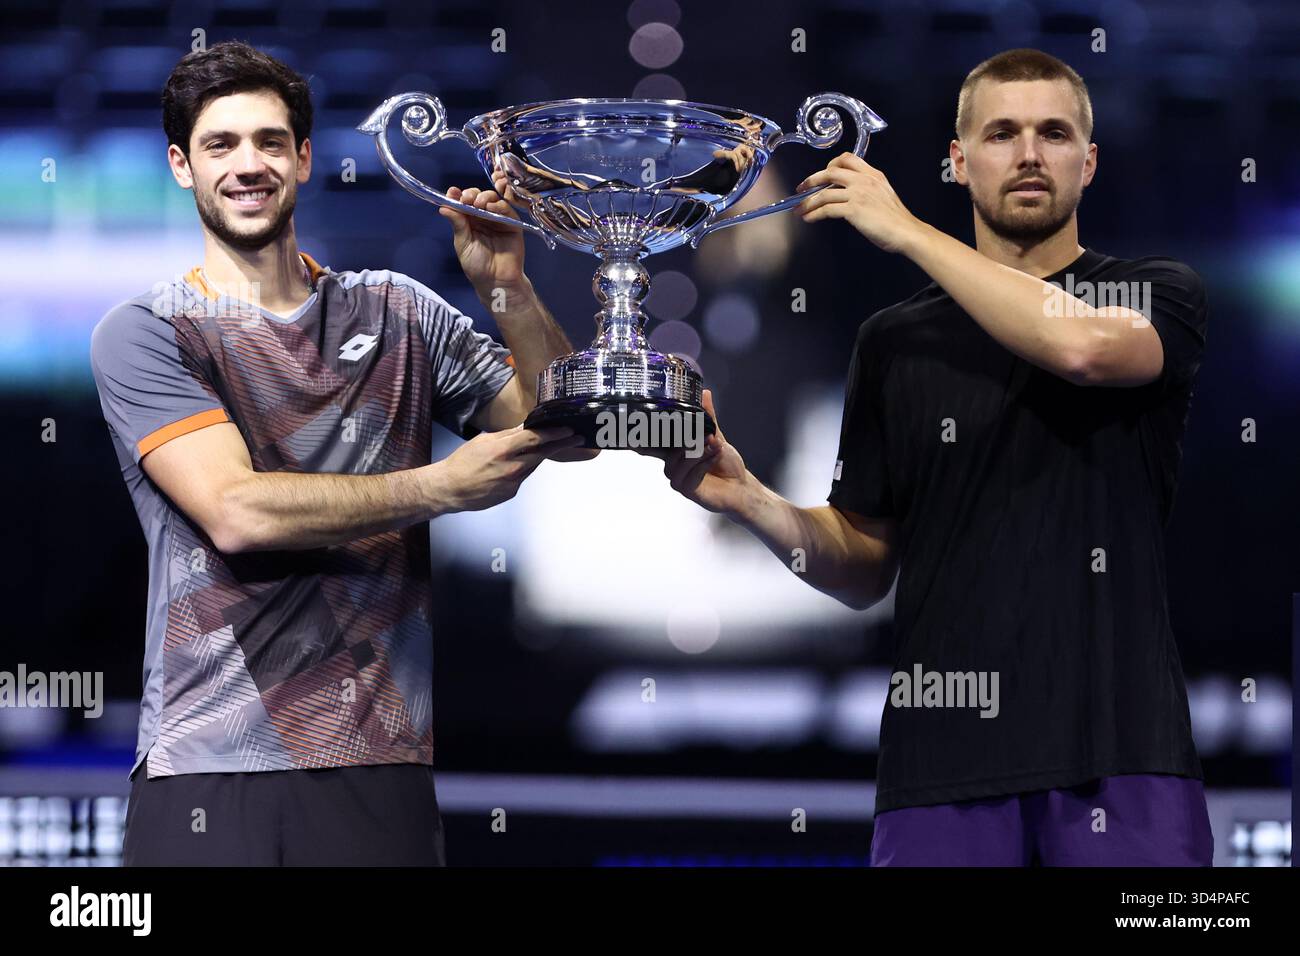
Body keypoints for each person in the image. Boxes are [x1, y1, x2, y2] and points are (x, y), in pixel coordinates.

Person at [654, 48, 1212, 866]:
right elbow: (863, 564)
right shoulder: (896, 341)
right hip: (939, 774)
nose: (1028, 154)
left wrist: (909, 232)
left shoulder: (1152, 291)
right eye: (1001, 134)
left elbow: (1085, 349)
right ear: (958, 161)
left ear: (1088, 162)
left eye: (1054, 133)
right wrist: (749, 500)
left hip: (1127, 760)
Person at [90, 40, 585, 865]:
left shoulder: (401, 310)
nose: (248, 165)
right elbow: (236, 511)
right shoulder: (147, 332)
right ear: (182, 166)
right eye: (220, 145)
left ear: (305, 157)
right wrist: (439, 486)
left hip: (383, 767)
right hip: (210, 769)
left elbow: (557, 430)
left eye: (270, 142)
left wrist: (508, 285)